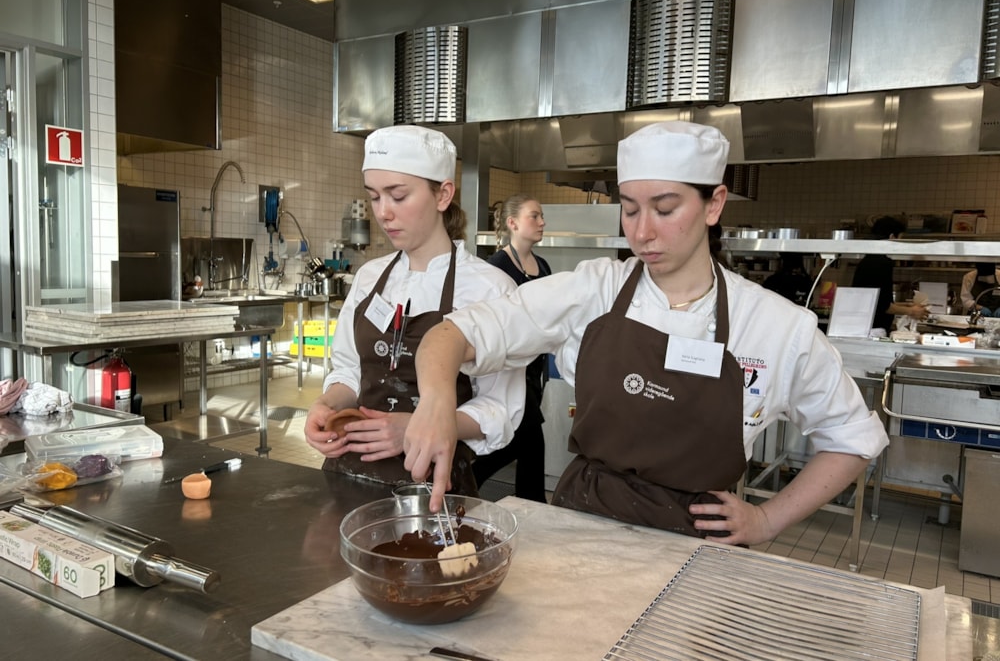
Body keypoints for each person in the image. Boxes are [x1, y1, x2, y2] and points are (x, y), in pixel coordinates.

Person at [402, 121, 889, 548]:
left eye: (665, 208)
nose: (642, 233)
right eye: (630, 209)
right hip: (583, 526)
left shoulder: (777, 325)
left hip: (699, 545)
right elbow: (452, 335)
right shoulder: (595, 289)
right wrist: (436, 402)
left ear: (713, 204)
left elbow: (852, 438)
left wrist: (765, 519)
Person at [303, 125, 525, 495]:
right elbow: (350, 370)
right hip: (347, 475)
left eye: (399, 196)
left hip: (434, 482)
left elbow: (499, 406)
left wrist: (422, 426)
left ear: (443, 195)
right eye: (374, 197)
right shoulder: (369, 277)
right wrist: (326, 405)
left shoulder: (489, 288)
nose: (384, 213)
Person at [472, 195, 552, 502]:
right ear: (513, 223)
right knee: (531, 441)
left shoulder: (542, 265)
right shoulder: (497, 268)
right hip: (507, 369)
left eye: (542, 216)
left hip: (534, 367)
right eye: (535, 216)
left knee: (524, 441)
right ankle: (531, 503)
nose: (542, 222)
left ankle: (527, 503)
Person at [851, 216, 929, 333]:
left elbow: (878, 299)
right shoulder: (882, 262)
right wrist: (911, 311)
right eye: (900, 238)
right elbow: (882, 305)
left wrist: (906, 306)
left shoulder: (868, 259)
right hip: (874, 329)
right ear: (892, 237)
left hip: (862, 325)